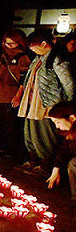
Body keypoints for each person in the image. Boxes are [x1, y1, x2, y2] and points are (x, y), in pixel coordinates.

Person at [13, 29, 76, 176]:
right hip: (32, 101)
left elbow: (68, 83)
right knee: (29, 133)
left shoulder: (56, 58)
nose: (32, 49)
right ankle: (33, 161)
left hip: (46, 103)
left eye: (34, 46)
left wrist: (68, 106)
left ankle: (45, 165)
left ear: (43, 44)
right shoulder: (38, 58)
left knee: (42, 134)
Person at [0, 30, 32, 157]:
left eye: (12, 43)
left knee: (11, 125)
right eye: (7, 43)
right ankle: (2, 148)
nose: (9, 46)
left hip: (12, 93)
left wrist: (18, 95)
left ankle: (11, 152)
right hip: (0, 92)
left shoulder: (23, 57)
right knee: (2, 123)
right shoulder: (3, 55)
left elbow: (24, 79)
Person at [44, 102, 76, 200]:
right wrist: (56, 169)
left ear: (72, 118)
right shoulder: (70, 132)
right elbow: (63, 149)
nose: (57, 127)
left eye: (58, 122)